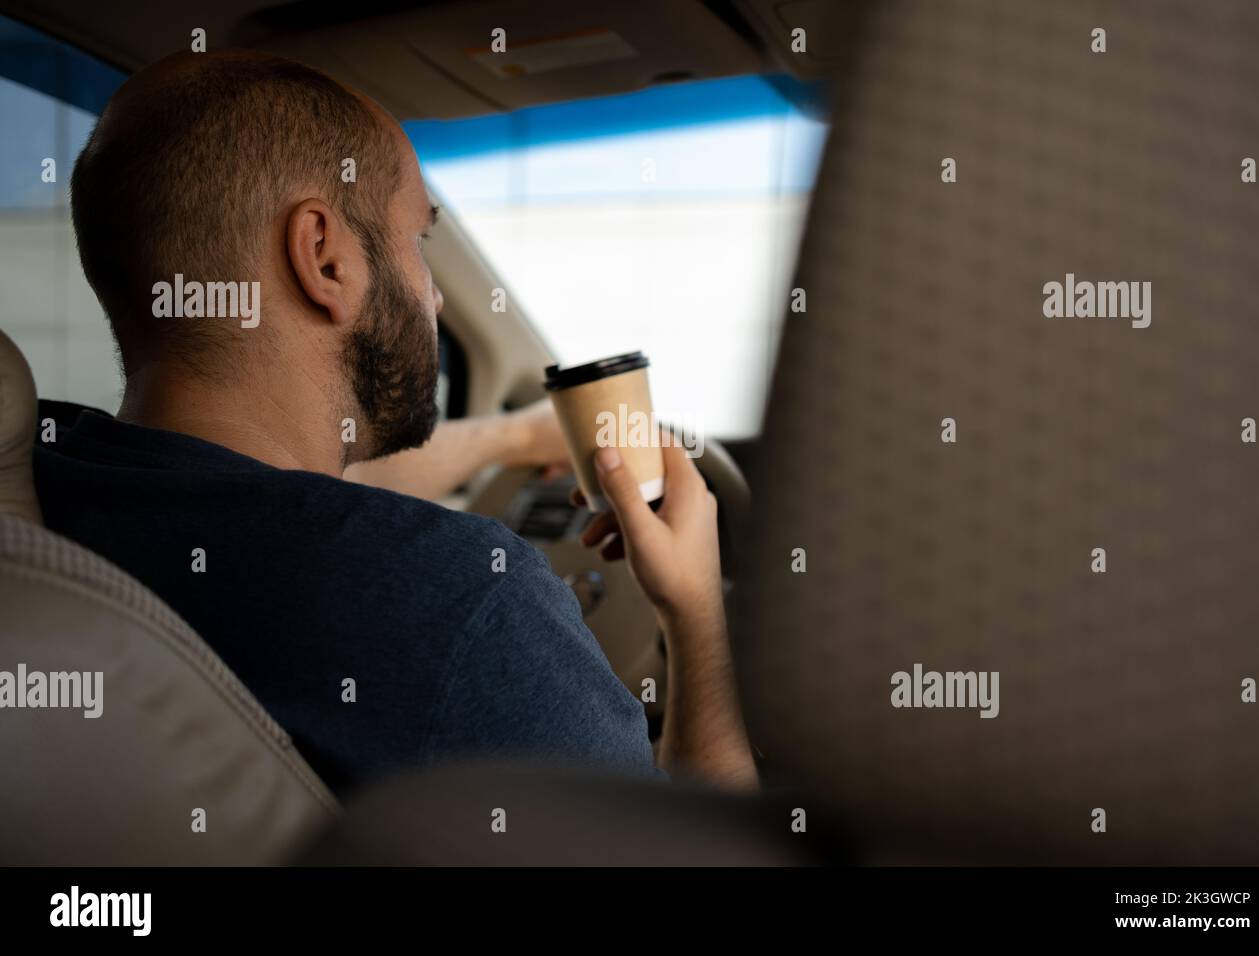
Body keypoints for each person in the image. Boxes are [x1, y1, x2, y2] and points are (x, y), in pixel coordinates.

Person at [33, 49, 756, 794]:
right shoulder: (460, 605)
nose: (436, 298)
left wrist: (510, 436)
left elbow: (273, 484)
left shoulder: (34, 492)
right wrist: (696, 617)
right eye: (420, 240)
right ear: (324, 258)